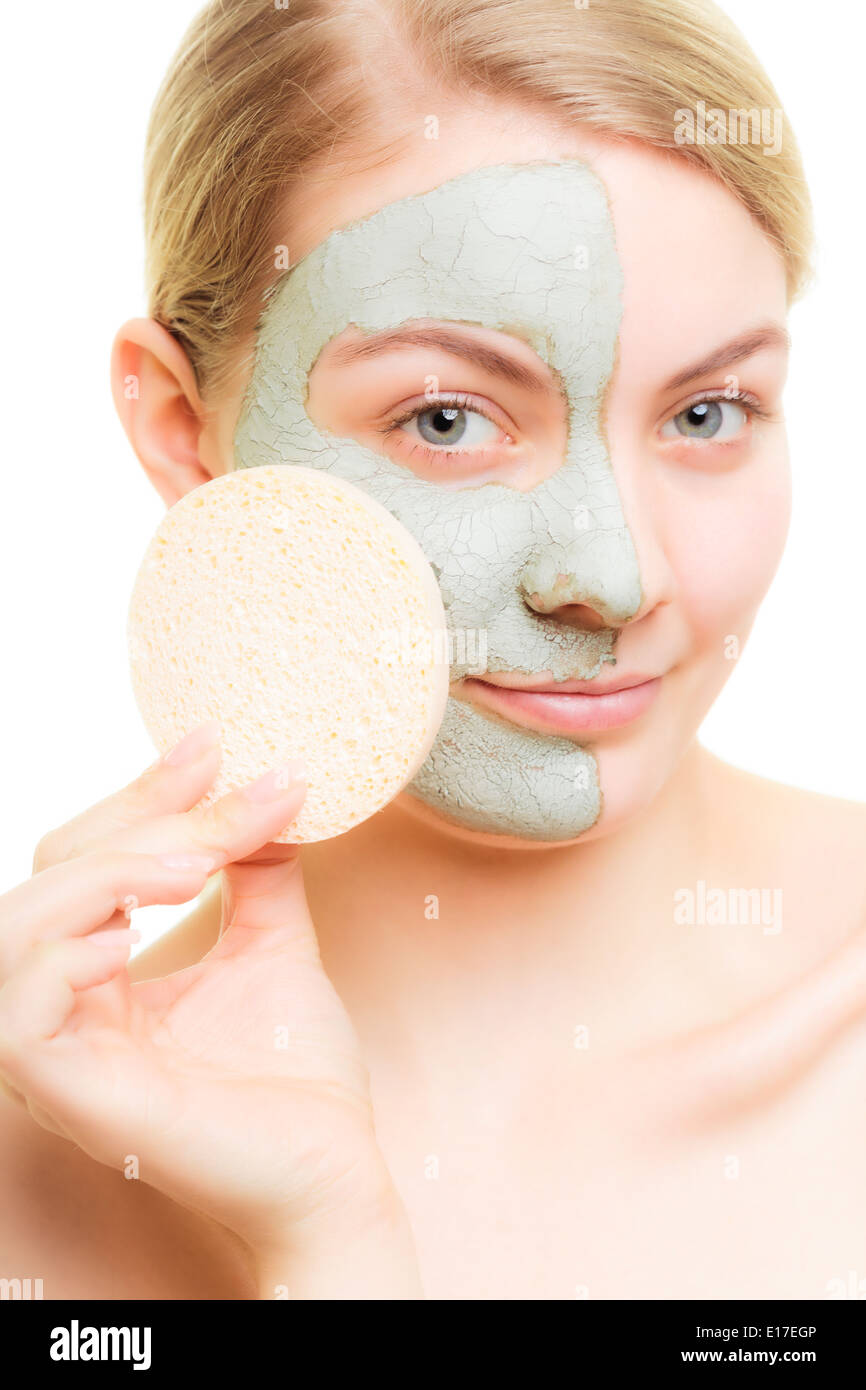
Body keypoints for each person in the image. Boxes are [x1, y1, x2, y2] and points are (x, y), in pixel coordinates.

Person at [1, 0, 864, 1301]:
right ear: (184, 429)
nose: (613, 574)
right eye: (447, 419)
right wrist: (330, 1241)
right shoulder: (42, 1181)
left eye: (706, 409)